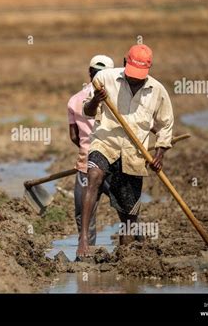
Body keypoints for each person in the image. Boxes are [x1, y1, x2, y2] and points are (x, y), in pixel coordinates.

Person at [77, 44, 174, 257]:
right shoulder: (104, 79)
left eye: (140, 77)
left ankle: (126, 256)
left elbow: (166, 124)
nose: (134, 80)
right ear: (124, 63)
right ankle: (83, 240)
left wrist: (160, 153)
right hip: (105, 143)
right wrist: (96, 100)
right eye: (131, 75)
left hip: (134, 153)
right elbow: (87, 110)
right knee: (93, 175)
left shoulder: (157, 91)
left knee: (128, 212)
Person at [67, 55, 114, 246]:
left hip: (86, 165)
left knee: (84, 217)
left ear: (89, 73)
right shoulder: (118, 99)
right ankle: (133, 251)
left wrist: (89, 149)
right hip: (113, 163)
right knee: (128, 212)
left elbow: (74, 137)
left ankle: (86, 253)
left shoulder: (75, 100)